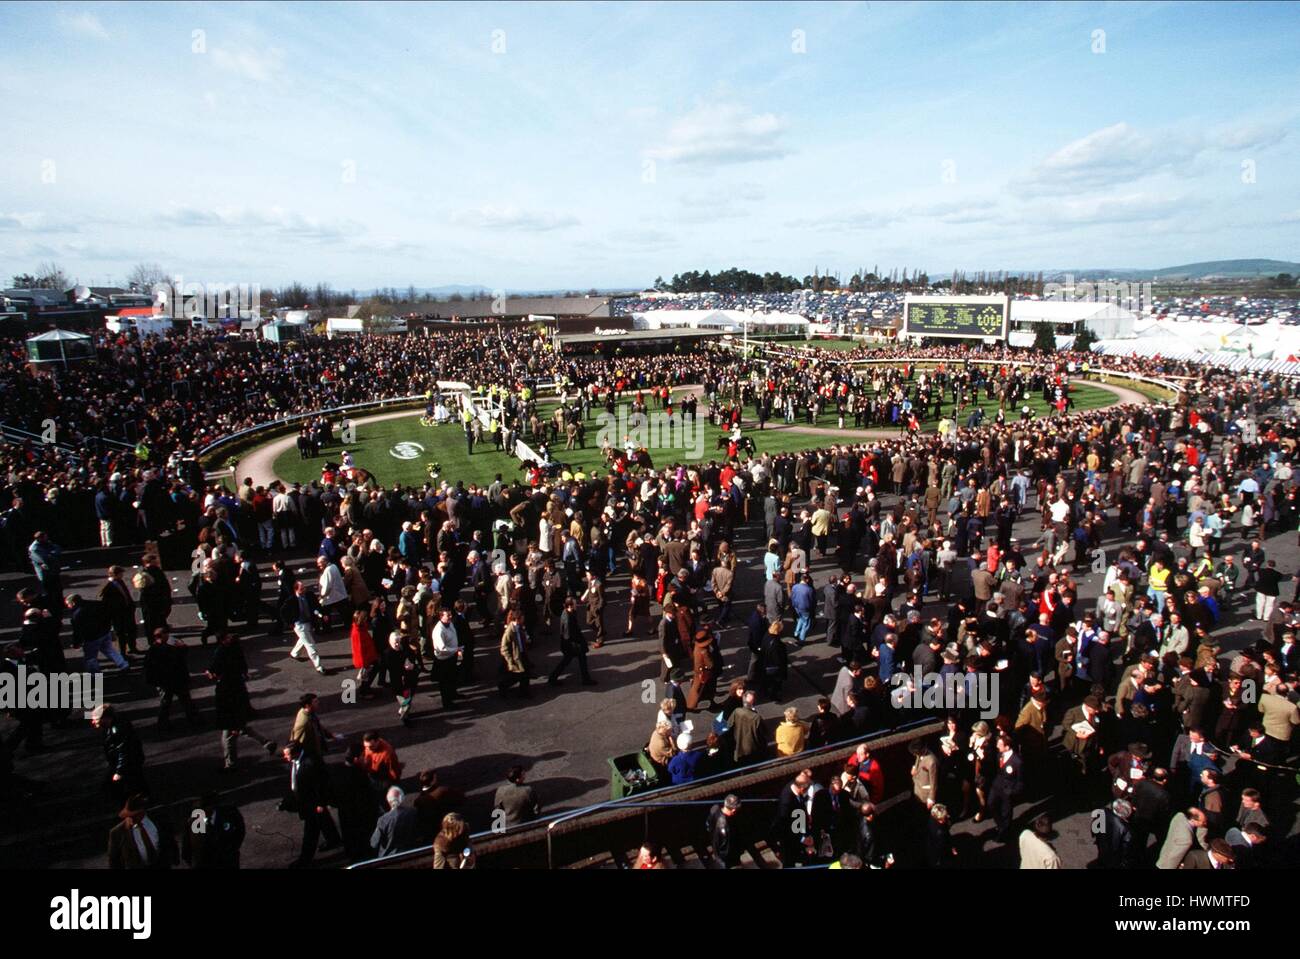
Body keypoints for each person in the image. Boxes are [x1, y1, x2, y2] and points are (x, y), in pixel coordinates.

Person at [206, 632, 276, 771]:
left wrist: (212, 673)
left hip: (229, 709)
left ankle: (230, 764)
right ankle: (266, 743)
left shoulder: (224, 680)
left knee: (228, 737)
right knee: (241, 728)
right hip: (239, 703)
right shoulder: (237, 655)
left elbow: (214, 671)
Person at [283, 741, 342, 868]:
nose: (285, 757)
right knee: (323, 820)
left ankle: (305, 859)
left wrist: (321, 803)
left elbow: (321, 784)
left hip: (313, 802)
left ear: (296, 753)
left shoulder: (311, 763)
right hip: (308, 800)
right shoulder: (297, 761)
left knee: (310, 831)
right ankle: (333, 840)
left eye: (287, 755)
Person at [143, 626, 198, 732]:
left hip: (164, 682)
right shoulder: (170, 649)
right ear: (163, 635)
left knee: (166, 703)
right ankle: (194, 719)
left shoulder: (152, 650)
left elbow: (148, 668)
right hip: (176, 680)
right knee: (185, 700)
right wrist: (182, 647)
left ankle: (163, 723)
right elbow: (180, 658)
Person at [91, 704, 147, 805]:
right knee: (137, 782)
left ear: (106, 718)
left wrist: (119, 772)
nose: (93, 722)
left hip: (128, 763)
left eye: (96, 719)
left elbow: (124, 751)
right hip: (126, 762)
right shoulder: (112, 726)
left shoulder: (118, 729)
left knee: (129, 784)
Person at [108, 794, 177, 870]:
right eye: (129, 815)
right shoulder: (117, 833)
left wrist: (174, 858)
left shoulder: (159, 821)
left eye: (135, 815)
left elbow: (170, 840)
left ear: (143, 811)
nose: (132, 819)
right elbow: (114, 860)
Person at [182, 792, 246, 869]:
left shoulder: (229, 813)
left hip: (227, 861)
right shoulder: (196, 819)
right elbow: (190, 843)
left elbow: (240, 830)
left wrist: (232, 849)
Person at [549, 596, 597, 686]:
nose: (576, 605)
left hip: (571, 645)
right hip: (572, 645)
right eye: (575, 604)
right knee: (579, 659)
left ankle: (553, 677)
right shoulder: (568, 618)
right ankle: (585, 679)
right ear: (570, 606)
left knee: (569, 661)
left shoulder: (567, 613)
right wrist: (579, 643)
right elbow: (568, 634)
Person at [284, 580, 326, 675]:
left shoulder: (309, 595)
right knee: (310, 645)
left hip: (308, 622)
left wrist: (322, 613)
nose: (304, 590)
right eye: (301, 589)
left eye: (304, 588)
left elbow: (316, 605)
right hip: (299, 624)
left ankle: (295, 653)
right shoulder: (291, 600)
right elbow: (283, 611)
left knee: (304, 639)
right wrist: (290, 623)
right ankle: (319, 667)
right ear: (296, 590)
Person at [370, 786, 421, 858]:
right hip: (411, 855)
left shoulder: (383, 820)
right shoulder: (413, 812)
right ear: (402, 799)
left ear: (389, 801)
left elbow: (374, 843)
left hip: (389, 859)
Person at [497, 609, 532, 698]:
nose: (523, 620)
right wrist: (509, 660)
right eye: (522, 618)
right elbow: (504, 648)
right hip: (515, 657)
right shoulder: (509, 631)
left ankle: (524, 692)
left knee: (525, 673)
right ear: (517, 619)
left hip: (521, 654)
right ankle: (503, 686)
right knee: (517, 675)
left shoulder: (519, 627)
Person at [705, 794, 744, 869]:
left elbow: (708, 824)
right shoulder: (726, 829)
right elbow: (727, 849)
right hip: (725, 858)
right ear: (733, 810)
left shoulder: (714, 809)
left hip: (715, 845)